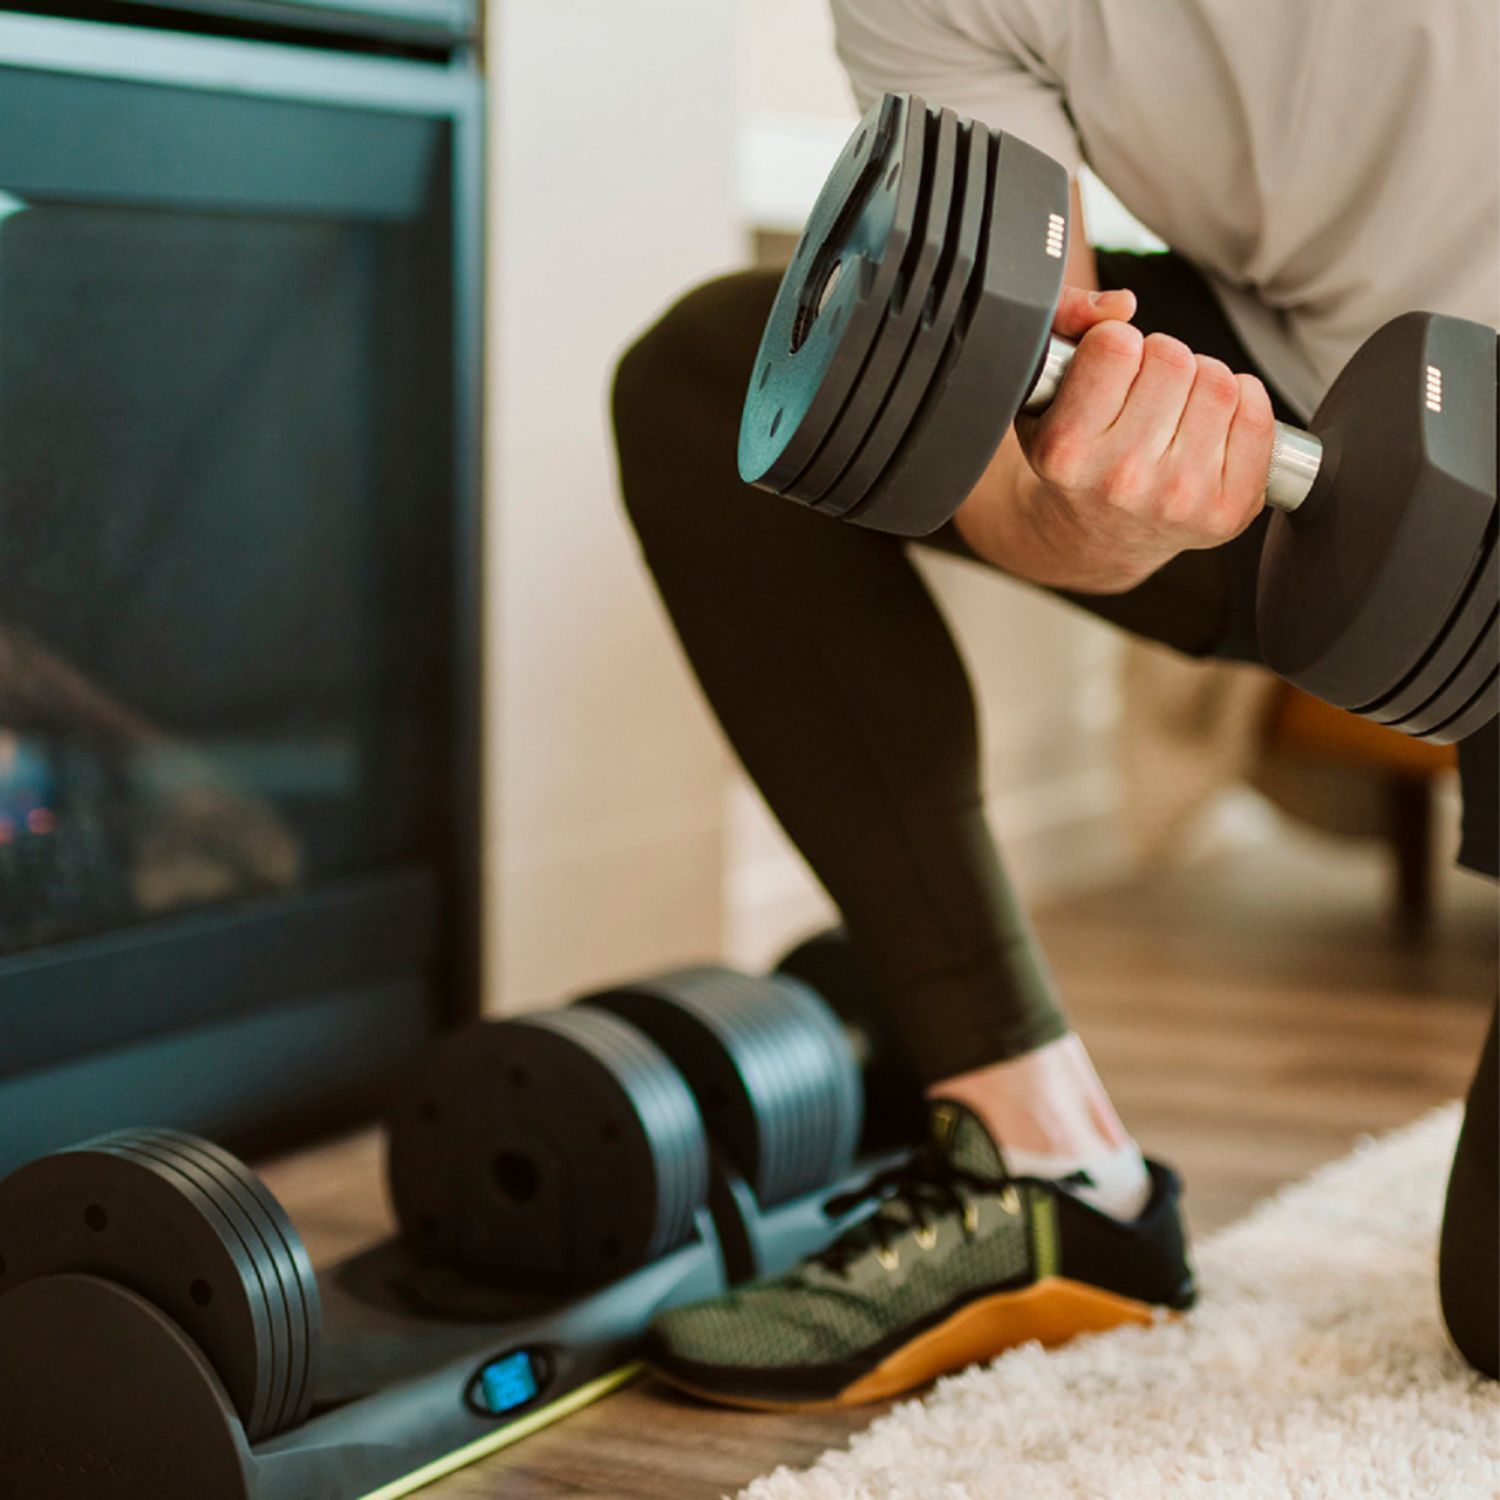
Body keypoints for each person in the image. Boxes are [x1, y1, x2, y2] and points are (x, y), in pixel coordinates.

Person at [612, 0, 1500, 1406]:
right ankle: (1046, 1164)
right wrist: (1096, 519)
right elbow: (1002, 461)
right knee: (729, 375)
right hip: (1351, 453)